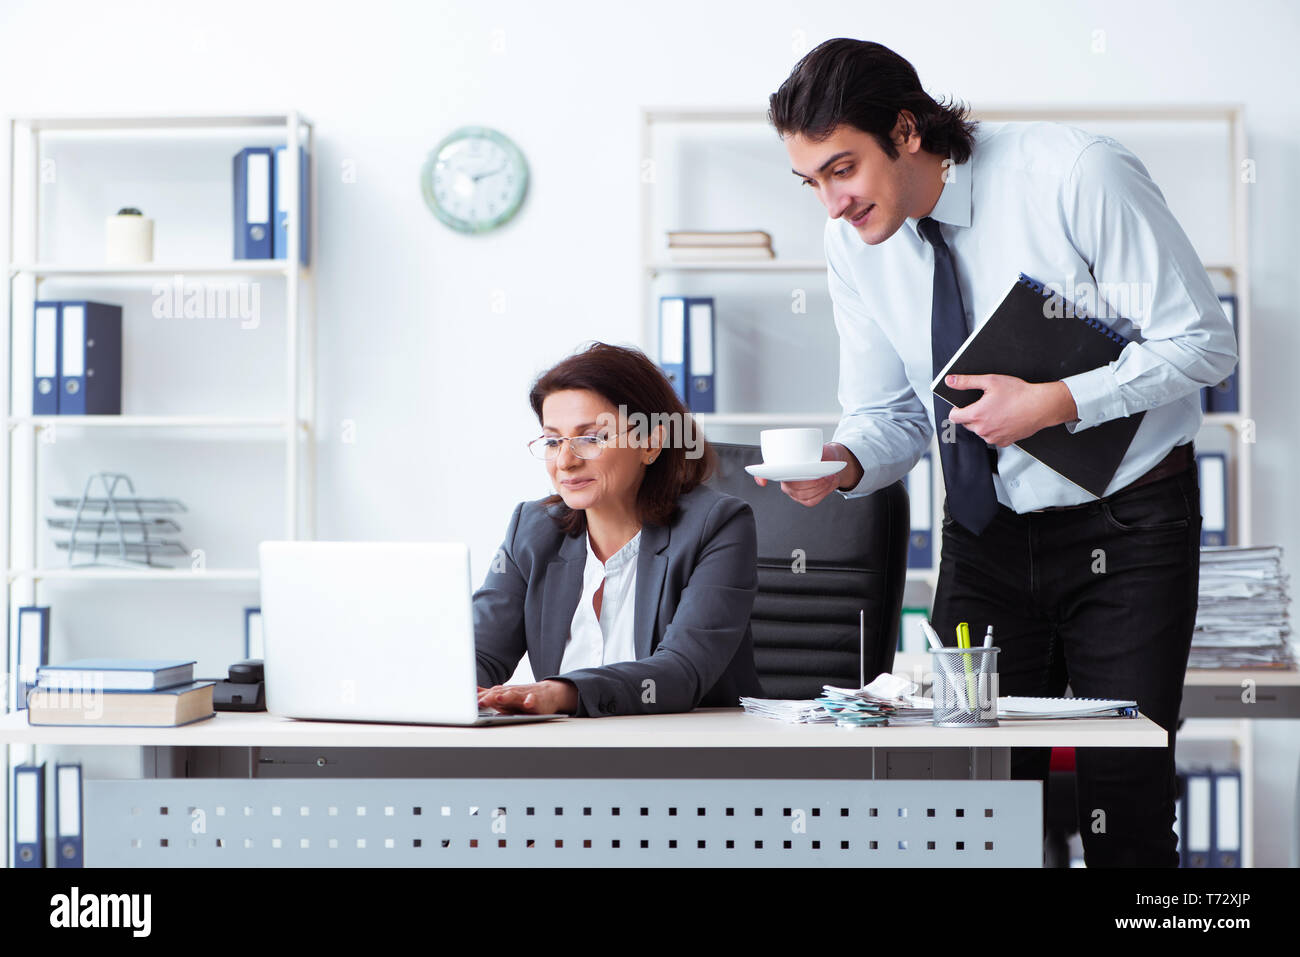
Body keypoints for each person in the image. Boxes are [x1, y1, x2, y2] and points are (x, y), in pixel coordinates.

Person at [764, 39, 1237, 866]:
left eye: (842, 169)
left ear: (906, 130)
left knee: (1122, 804)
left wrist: (1057, 401)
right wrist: (844, 462)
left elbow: (1202, 340)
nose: (831, 205)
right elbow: (890, 414)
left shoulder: (1074, 175)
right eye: (812, 182)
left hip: (1126, 530)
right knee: (969, 803)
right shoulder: (856, 249)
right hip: (984, 536)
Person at [474, 341, 763, 717]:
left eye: (590, 438)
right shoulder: (531, 531)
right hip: (565, 757)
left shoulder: (718, 525)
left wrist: (560, 694)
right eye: (552, 440)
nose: (565, 460)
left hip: (693, 758)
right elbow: (479, 653)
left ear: (651, 443)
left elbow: (681, 672)